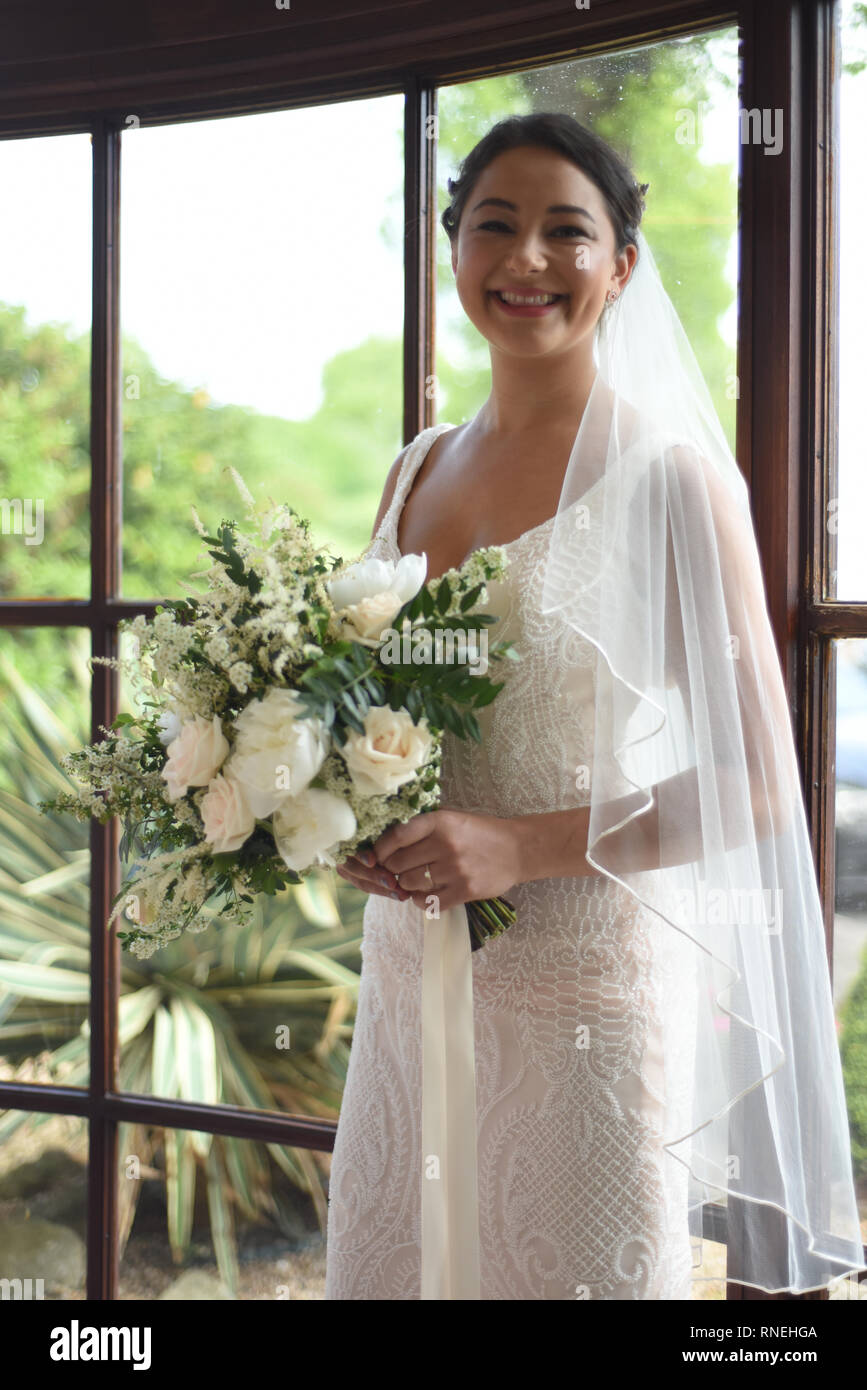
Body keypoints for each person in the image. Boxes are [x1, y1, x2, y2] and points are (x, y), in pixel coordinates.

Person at [324, 113, 866, 1300]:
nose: (524, 260)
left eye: (566, 230)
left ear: (622, 263)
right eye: (493, 226)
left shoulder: (669, 478)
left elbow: (758, 784)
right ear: (451, 249)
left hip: (579, 997)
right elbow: (378, 719)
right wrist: (336, 812)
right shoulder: (414, 467)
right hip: (410, 985)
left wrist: (516, 844)